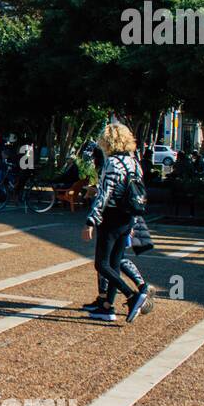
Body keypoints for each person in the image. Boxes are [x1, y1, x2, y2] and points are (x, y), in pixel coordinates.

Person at [83, 123, 151, 323]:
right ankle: (107, 306)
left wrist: (90, 221)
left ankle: (131, 296)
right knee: (114, 262)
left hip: (111, 217)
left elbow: (104, 195)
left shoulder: (111, 162)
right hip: (128, 217)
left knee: (102, 264)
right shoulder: (134, 162)